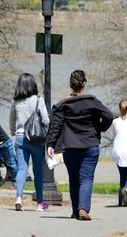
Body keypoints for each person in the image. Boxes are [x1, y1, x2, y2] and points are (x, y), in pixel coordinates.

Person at [46, 70, 113, 221]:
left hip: (70, 146)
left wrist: (51, 144)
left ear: (71, 84)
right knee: (86, 178)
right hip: (90, 144)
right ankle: (83, 209)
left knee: (74, 179)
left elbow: (55, 125)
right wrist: (99, 129)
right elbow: (109, 116)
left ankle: (76, 210)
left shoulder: (63, 103)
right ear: (84, 83)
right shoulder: (92, 101)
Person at [10, 73, 50, 212]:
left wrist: (12, 131)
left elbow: (12, 119)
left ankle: (19, 199)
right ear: (33, 85)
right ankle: (39, 204)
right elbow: (46, 121)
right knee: (38, 171)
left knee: (22, 169)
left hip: (20, 138)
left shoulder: (15, 101)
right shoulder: (38, 100)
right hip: (36, 139)